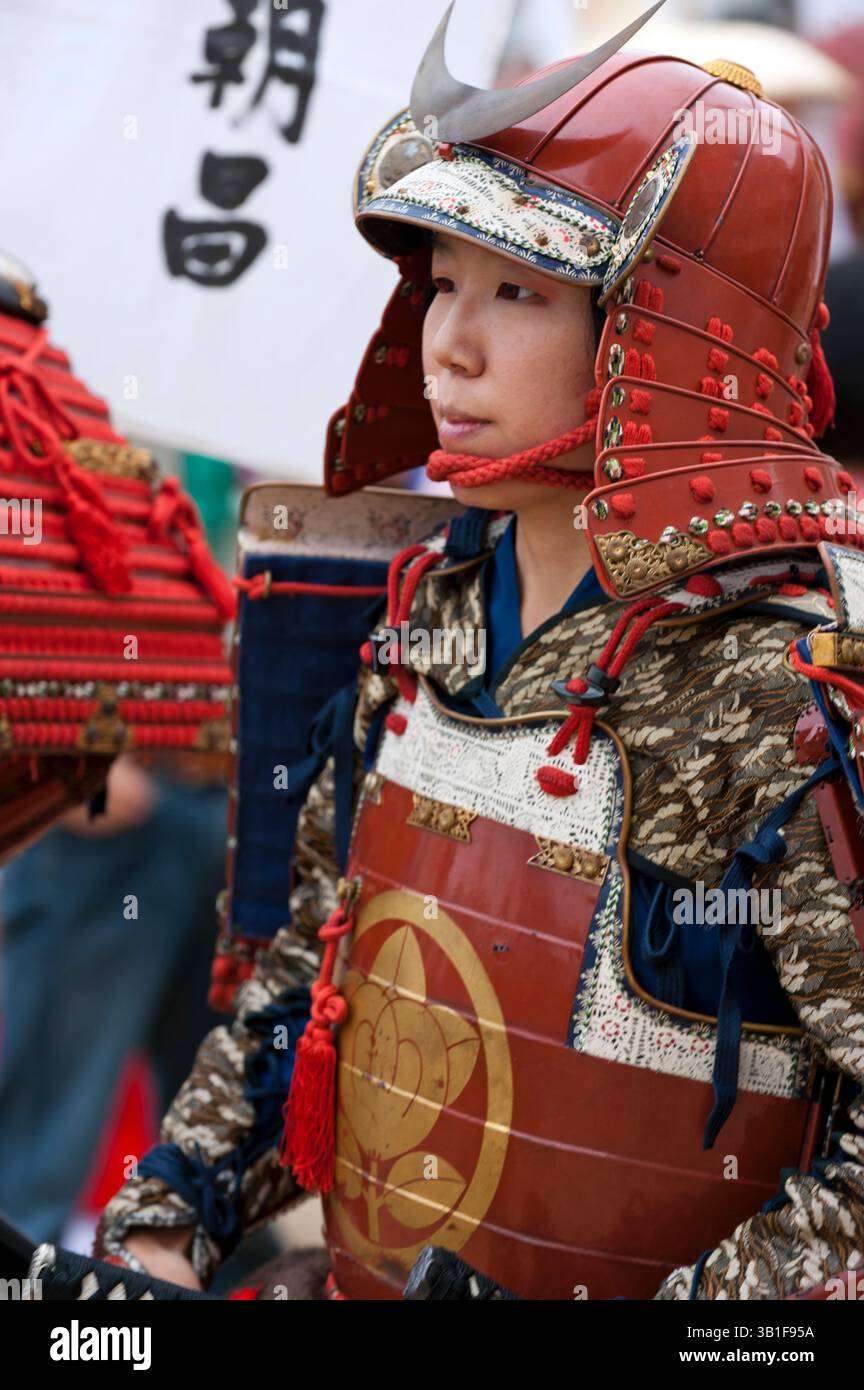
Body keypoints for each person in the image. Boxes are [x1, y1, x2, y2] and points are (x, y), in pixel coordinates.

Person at [95, 6, 864, 1300]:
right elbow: (322, 976)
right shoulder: (423, 612)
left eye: (518, 290)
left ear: (659, 338)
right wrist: (171, 1210)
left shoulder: (782, 686)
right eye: (443, 281)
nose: (447, 343)